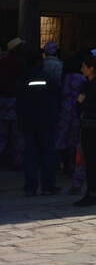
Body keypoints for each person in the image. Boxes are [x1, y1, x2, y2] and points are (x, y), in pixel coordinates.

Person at [16, 49, 61, 196]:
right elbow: (57, 96)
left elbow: (19, 101)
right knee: (47, 154)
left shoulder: (22, 78)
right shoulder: (46, 77)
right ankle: (48, 186)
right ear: (38, 62)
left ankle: (30, 187)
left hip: (28, 123)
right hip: (46, 122)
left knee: (30, 156)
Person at [73, 53, 96, 206]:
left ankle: (92, 192)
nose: (81, 70)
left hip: (91, 124)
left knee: (91, 159)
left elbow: (80, 103)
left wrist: (83, 107)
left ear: (91, 68)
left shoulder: (91, 85)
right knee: (92, 158)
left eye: (84, 67)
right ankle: (93, 191)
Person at [56, 54, 87, 179]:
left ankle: (63, 164)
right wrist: (79, 102)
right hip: (75, 110)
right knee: (74, 138)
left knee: (62, 136)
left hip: (64, 109)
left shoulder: (65, 77)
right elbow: (83, 93)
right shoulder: (81, 78)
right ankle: (72, 165)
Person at [0, 37, 27, 171]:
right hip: (14, 100)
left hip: (3, 100)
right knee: (17, 134)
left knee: (3, 133)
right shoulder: (19, 63)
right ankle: (17, 161)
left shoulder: (3, 62)